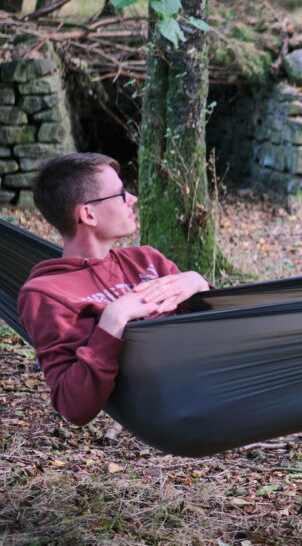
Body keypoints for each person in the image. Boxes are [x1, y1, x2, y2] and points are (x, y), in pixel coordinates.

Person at [18, 153, 210, 426]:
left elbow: (219, 329)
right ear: (88, 214)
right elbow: (73, 407)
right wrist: (114, 318)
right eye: (120, 194)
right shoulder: (47, 293)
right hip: (170, 412)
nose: (132, 199)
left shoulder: (147, 259)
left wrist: (197, 283)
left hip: (215, 387)